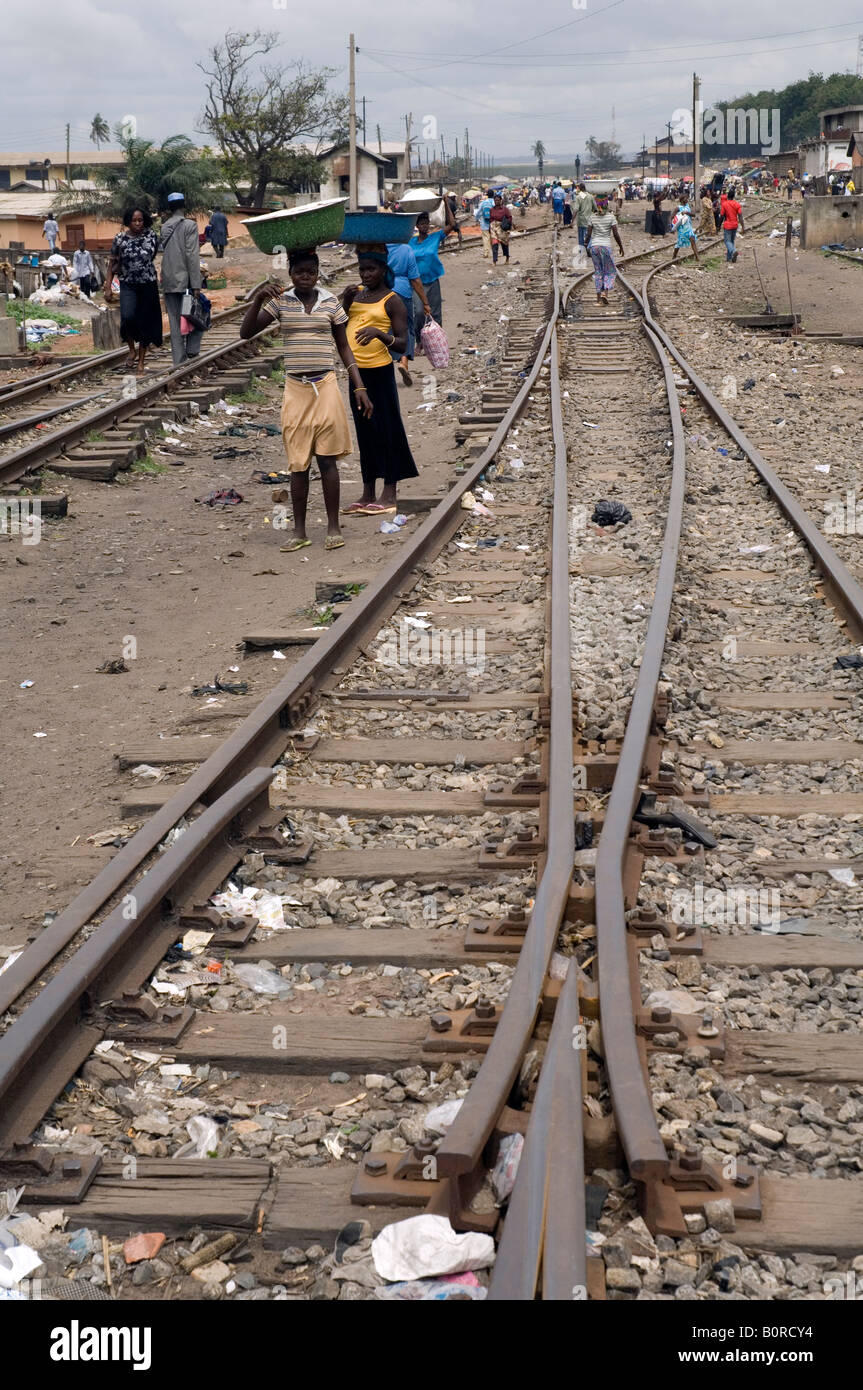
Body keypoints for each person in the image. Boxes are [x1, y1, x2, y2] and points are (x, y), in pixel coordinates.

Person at [239, 250, 371, 552]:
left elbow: (343, 347)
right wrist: (258, 299)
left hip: (325, 385)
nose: (306, 277)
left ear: (318, 272)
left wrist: (359, 385)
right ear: (290, 274)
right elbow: (246, 333)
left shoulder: (331, 302)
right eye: (300, 272)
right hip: (296, 388)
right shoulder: (280, 302)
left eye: (311, 272)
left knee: (327, 459)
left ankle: (333, 526)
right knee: (298, 462)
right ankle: (299, 530)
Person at [339, 250, 418, 515]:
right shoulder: (356, 296)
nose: (365, 275)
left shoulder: (393, 301)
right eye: (362, 269)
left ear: (383, 270)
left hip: (380, 373)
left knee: (387, 429)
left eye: (371, 269)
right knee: (365, 432)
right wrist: (345, 299)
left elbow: (404, 343)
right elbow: (336, 325)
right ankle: (367, 492)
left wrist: (378, 334)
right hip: (356, 374)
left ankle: (390, 492)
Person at [103, 207, 163, 372]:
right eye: (134, 220)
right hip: (128, 283)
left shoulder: (151, 236)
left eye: (140, 220)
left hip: (148, 284)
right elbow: (112, 263)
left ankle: (141, 362)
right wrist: (108, 286)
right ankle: (131, 349)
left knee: (145, 322)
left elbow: (152, 256)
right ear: (128, 222)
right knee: (127, 317)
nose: (138, 223)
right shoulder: (120, 239)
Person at [159, 192, 203, 366]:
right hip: (186, 281)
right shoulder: (190, 225)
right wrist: (196, 284)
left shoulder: (164, 227)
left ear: (169, 208)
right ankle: (192, 350)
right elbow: (192, 255)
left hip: (168, 279)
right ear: (184, 205)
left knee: (174, 318)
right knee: (195, 314)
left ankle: (178, 360)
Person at [386, 240, 432, 387]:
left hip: (384, 293)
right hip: (403, 293)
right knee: (406, 329)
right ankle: (403, 362)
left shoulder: (380, 247)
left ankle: (385, 369)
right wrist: (425, 302)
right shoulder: (406, 250)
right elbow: (415, 279)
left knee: (386, 330)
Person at [409, 203, 457, 330]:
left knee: (435, 313)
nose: (425, 225)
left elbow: (452, 224)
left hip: (433, 280)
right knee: (419, 312)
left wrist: (446, 203)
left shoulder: (435, 237)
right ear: (417, 226)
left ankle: (437, 339)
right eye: (422, 223)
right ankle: (419, 341)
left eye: (426, 222)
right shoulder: (410, 242)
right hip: (416, 283)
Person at [584, 196, 624, 306]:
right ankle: (604, 294)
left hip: (595, 247)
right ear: (607, 205)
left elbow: (588, 235)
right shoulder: (611, 217)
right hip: (606, 247)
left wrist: (586, 246)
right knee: (609, 271)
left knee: (598, 272)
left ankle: (598, 300)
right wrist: (621, 246)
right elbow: (615, 234)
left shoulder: (592, 217)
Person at [720, 187, 745, 263]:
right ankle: (729, 258)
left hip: (727, 225)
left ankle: (734, 251)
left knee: (727, 241)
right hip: (735, 225)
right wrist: (743, 226)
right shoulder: (737, 204)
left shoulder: (724, 204)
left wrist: (718, 226)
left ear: (728, 196)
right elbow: (740, 216)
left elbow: (721, 216)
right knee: (731, 241)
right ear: (734, 196)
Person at [489, 193, 513, 264]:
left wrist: (506, 224)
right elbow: (490, 219)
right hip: (494, 229)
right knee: (494, 244)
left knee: (504, 244)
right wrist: (491, 227)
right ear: (494, 201)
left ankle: (507, 258)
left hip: (502, 229)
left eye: (498, 200)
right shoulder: (491, 210)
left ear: (501, 200)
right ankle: (494, 261)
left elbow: (510, 217)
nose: (497, 202)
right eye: (495, 200)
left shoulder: (505, 209)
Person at [475, 189, 495, 259]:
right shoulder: (495, 202)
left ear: (487, 195)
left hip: (484, 223)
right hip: (493, 224)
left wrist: (476, 219)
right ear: (493, 195)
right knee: (493, 237)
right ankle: (494, 253)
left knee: (486, 238)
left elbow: (478, 213)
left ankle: (486, 253)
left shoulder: (483, 203)